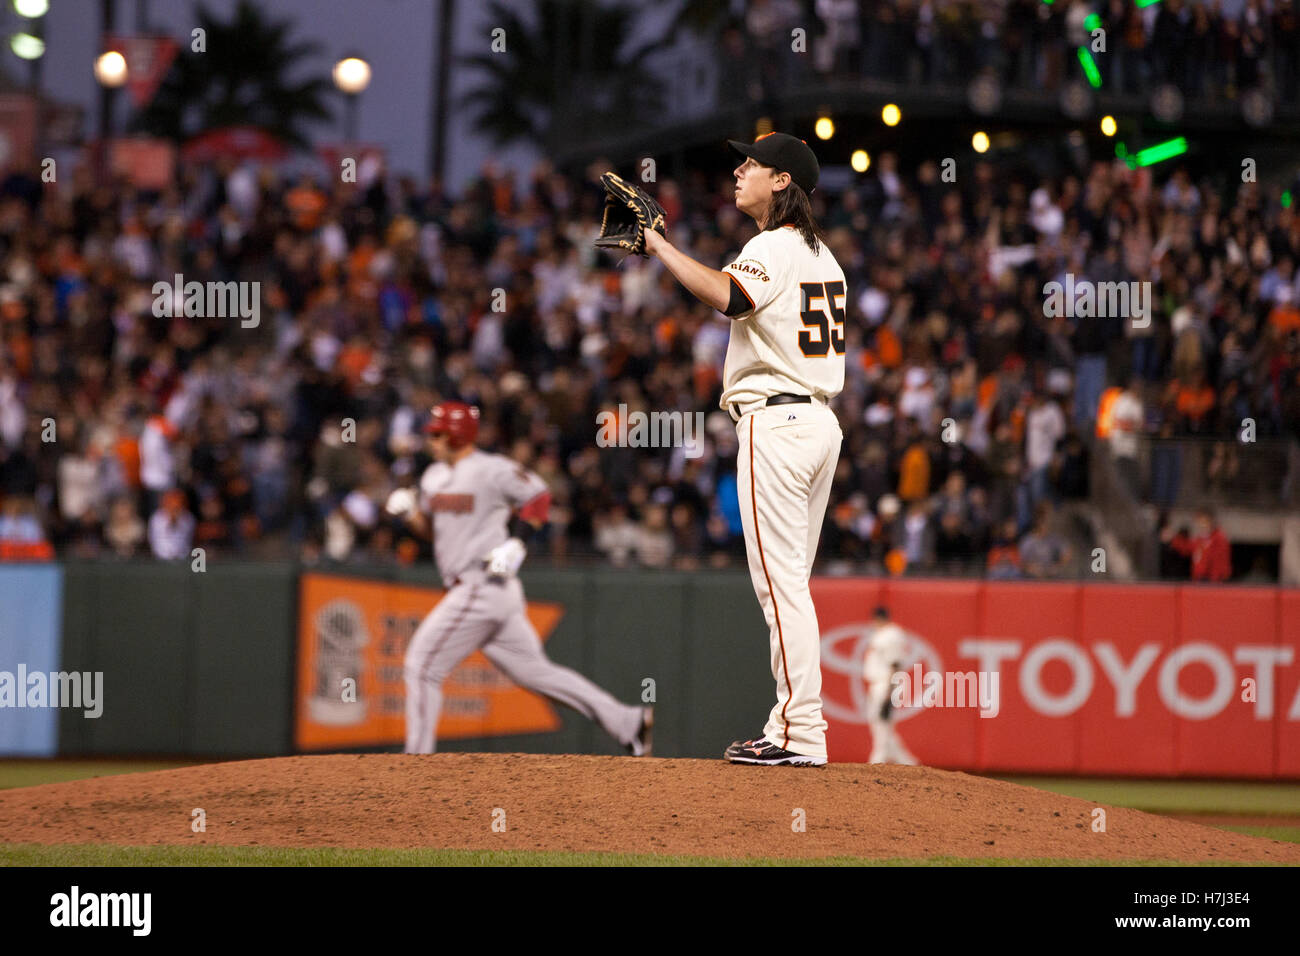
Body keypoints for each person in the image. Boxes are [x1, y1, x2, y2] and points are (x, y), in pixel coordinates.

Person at [643, 132, 845, 766]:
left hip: (777, 423)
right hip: (819, 424)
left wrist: (657, 245)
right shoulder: (825, 257)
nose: (739, 170)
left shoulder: (772, 247)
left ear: (781, 181)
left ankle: (800, 734)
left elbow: (730, 296)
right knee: (794, 587)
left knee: (780, 586)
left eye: (752, 164)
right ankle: (795, 727)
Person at [389, 400, 652, 755]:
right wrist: (410, 517)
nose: (430, 441)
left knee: (421, 666)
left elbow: (539, 497)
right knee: (534, 673)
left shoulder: (490, 469)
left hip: (483, 584)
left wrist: (518, 542)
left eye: (437, 434)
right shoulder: (433, 477)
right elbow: (437, 534)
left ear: (456, 434)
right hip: (480, 591)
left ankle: (415, 764)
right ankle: (627, 721)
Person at [862, 607, 918, 766]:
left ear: (879, 618)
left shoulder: (892, 635)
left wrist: (890, 690)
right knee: (879, 722)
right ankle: (905, 760)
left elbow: (895, 663)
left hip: (887, 682)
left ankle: (878, 758)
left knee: (881, 722)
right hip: (878, 683)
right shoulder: (881, 635)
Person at [1160, 506, 1232, 582]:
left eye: (1204, 522)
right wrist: (1173, 539)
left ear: (1211, 522)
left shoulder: (1219, 539)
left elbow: (1220, 564)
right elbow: (1188, 547)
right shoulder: (1201, 539)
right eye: (1199, 522)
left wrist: (1214, 581)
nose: (1201, 525)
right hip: (1199, 580)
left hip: (1212, 582)